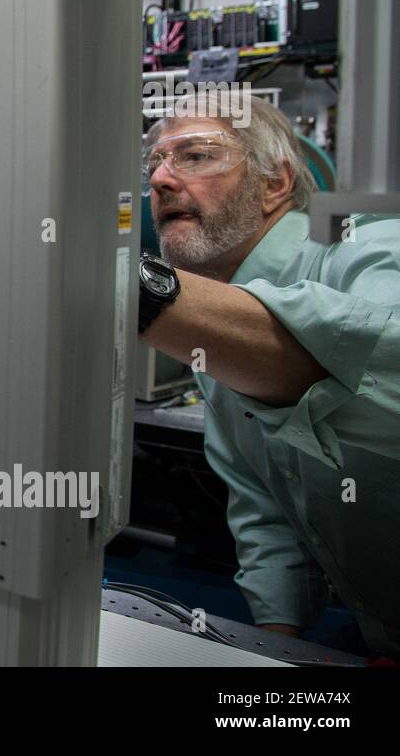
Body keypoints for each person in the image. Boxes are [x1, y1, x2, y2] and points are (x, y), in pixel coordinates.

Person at [138, 91, 400, 657]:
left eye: (196, 156)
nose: (160, 178)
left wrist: (129, 287)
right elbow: (268, 513)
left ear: (274, 184)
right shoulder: (215, 337)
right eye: (155, 161)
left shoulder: (366, 242)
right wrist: (274, 650)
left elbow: (381, 360)